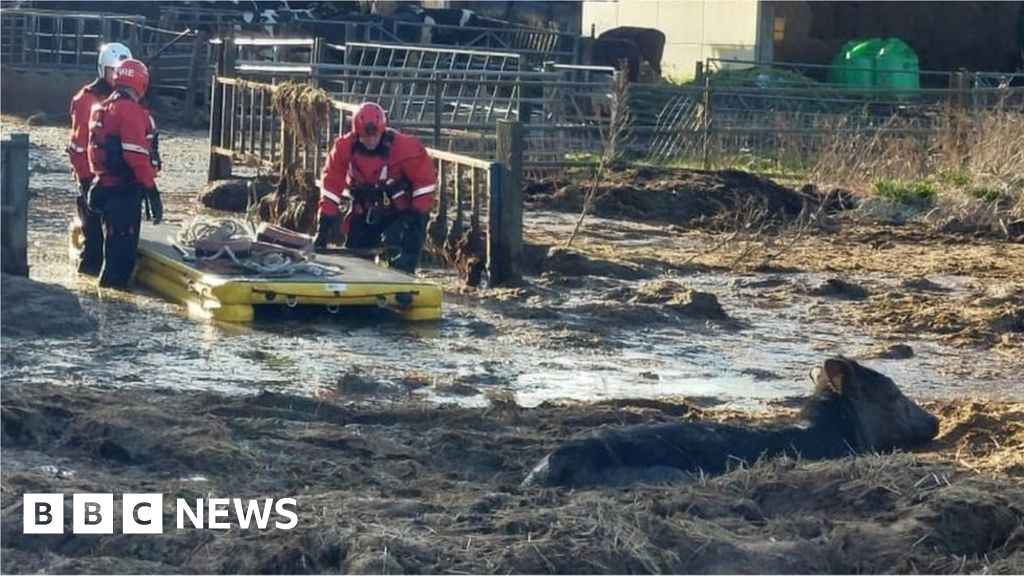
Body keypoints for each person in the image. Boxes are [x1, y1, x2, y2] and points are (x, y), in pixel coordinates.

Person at [315, 102, 437, 273]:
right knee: (355, 265)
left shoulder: (406, 149)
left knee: (402, 265)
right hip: (364, 212)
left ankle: (404, 281)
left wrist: (406, 222)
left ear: (383, 131)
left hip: (402, 214)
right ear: (357, 134)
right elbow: (330, 190)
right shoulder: (343, 149)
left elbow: (425, 187)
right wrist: (323, 229)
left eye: (375, 136)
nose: (371, 141)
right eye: (366, 136)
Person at [85, 58, 163, 288]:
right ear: (142, 83)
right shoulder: (130, 112)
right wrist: (151, 189)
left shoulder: (100, 107)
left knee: (111, 252)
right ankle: (112, 311)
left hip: (104, 185)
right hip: (123, 192)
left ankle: (107, 304)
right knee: (120, 259)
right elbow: (136, 156)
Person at [69, 42, 132, 275]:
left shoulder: (126, 101)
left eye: (121, 71)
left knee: (114, 237)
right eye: (112, 71)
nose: (117, 76)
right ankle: (87, 278)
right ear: (102, 69)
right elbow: (79, 145)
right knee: (94, 237)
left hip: (114, 179)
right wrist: (88, 180)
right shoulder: (86, 100)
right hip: (92, 178)